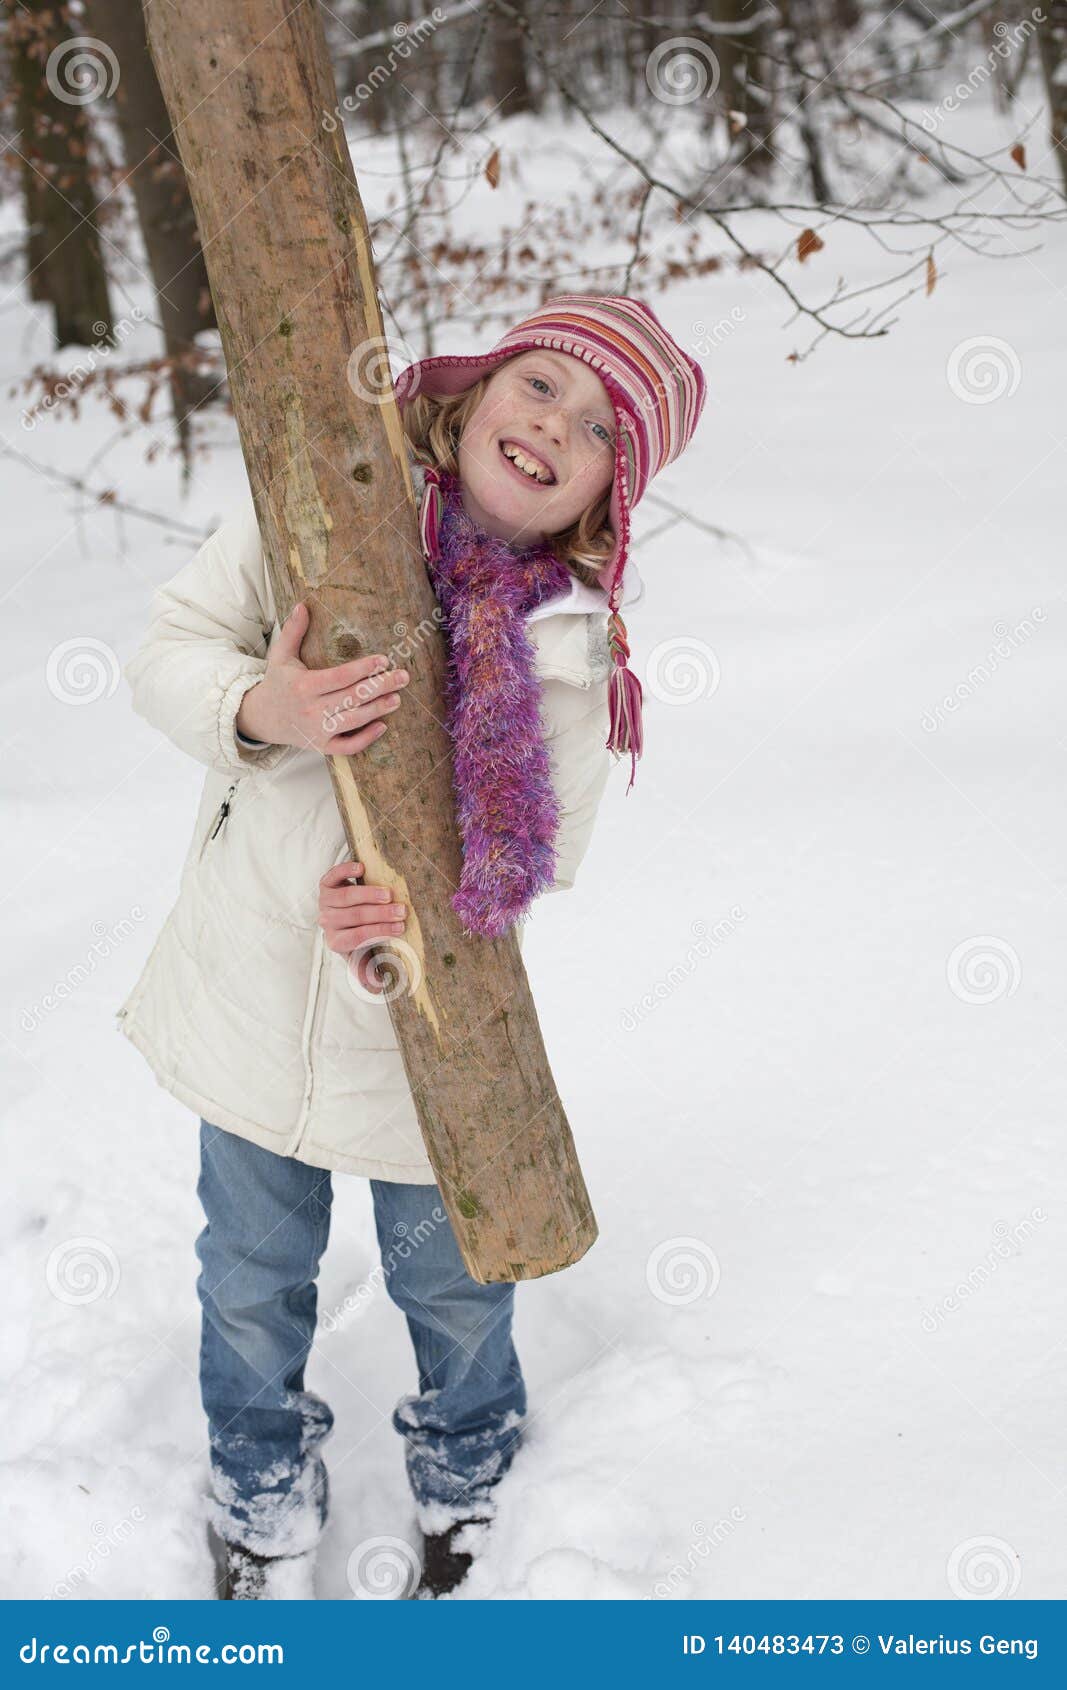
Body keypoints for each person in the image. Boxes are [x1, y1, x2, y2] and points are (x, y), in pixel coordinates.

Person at [116, 294, 707, 1599]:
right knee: (250, 1271)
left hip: (428, 1048)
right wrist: (261, 706)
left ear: (614, 494)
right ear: (480, 386)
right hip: (254, 994)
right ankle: (261, 1474)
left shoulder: (568, 644)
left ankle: (467, 1479)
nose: (556, 425)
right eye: (542, 384)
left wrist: (405, 900)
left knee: (451, 1285)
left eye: (601, 428)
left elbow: (544, 847)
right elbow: (167, 651)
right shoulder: (318, 511)